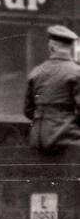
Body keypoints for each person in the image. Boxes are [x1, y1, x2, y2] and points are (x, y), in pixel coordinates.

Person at [24, 24, 80, 152]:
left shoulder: (36, 72)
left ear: (51, 46)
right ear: (71, 47)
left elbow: (28, 111)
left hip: (37, 139)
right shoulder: (77, 72)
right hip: (67, 139)